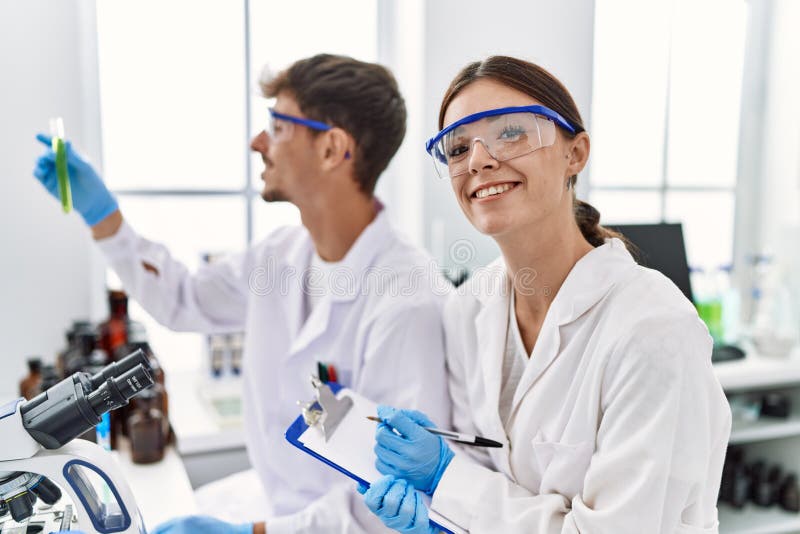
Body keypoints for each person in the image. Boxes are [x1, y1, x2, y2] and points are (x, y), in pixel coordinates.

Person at [32, 54, 451, 534]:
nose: (257, 142)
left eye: (277, 125)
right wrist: (103, 215)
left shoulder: (408, 300)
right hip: (273, 507)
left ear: (333, 149)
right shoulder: (280, 256)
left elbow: (395, 499)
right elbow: (184, 299)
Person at [359, 55, 731, 533]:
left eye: (510, 132)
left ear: (575, 153)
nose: (478, 160)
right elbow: (483, 480)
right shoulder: (468, 309)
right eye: (456, 148)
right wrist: (438, 516)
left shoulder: (653, 329)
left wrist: (446, 480)